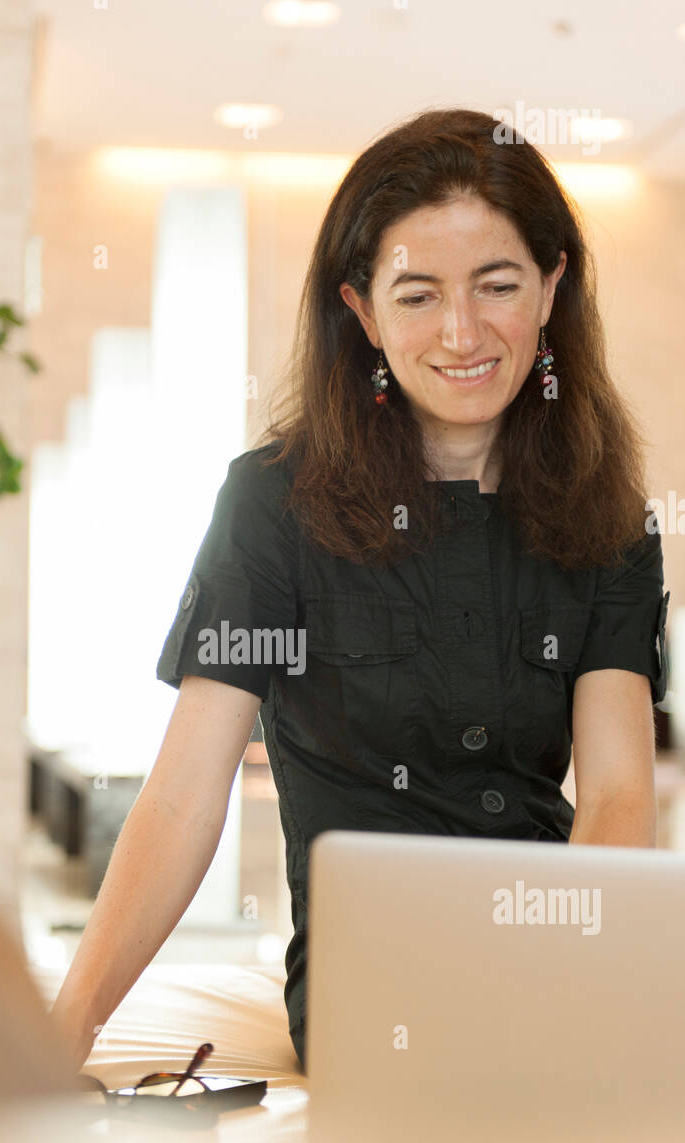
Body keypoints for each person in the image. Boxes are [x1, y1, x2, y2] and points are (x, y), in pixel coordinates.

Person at [50, 107, 670, 1075]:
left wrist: (571, 980)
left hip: (556, 942)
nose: (462, 331)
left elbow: (620, 796)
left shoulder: (610, 520)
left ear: (551, 288)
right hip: (371, 978)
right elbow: (183, 795)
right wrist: (66, 1026)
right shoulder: (273, 504)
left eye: (498, 285)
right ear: (364, 310)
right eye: (418, 294)